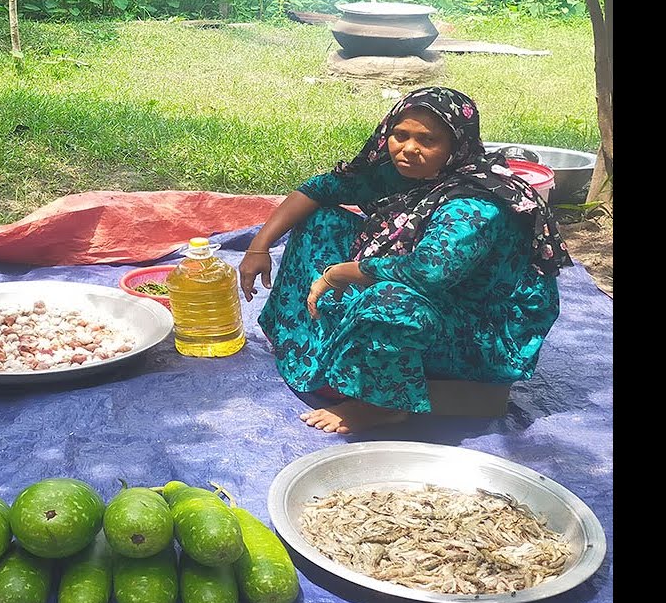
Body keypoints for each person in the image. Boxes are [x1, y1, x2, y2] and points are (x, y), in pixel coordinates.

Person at [238, 86, 571, 434]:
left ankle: (382, 405)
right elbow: (322, 188)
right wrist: (258, 247)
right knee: (323, 221)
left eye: (427, 140)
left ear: (456, 145)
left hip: (483, 329)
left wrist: (342, 273)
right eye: (400, 135)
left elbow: (429, 271)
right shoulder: (412, 172)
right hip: (439, 295)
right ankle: (313, 345)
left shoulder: (476, 204)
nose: (409, 149)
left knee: (389, 302)